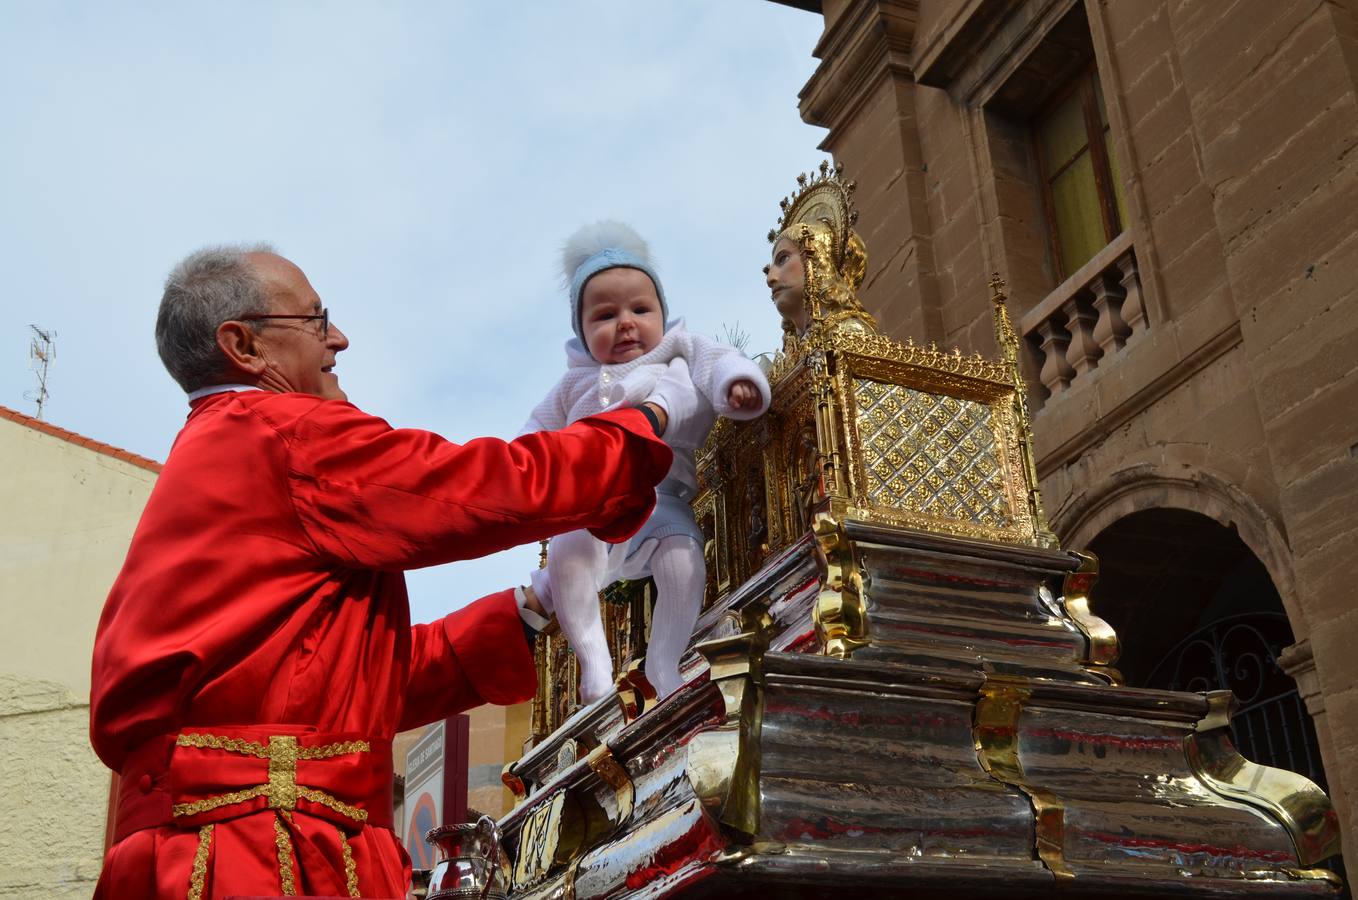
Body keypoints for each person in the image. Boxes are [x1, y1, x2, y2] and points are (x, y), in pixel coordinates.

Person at [89, 244, 682, 899]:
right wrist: (644, 423)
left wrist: (531, 605)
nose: (338, 339)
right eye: (316, 321)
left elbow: (341, 691)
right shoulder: (280, 434)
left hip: (216, 842)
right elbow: (483, 489)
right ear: (244, 346)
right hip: (264, 851)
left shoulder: (218, 451)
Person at [522, 222, 771, 703]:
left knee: (682, 560)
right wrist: (523, 487)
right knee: (566, 553)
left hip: (660, 499)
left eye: (640, 308)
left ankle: (665, 658)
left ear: (662, 312)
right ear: (581, 330)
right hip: (591, 509)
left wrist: (737, 383)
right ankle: (594, 661)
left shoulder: (675, 351)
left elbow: (718, 359)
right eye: (605, 315)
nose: (626, 323)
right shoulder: (573, 385)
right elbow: (532, 438)